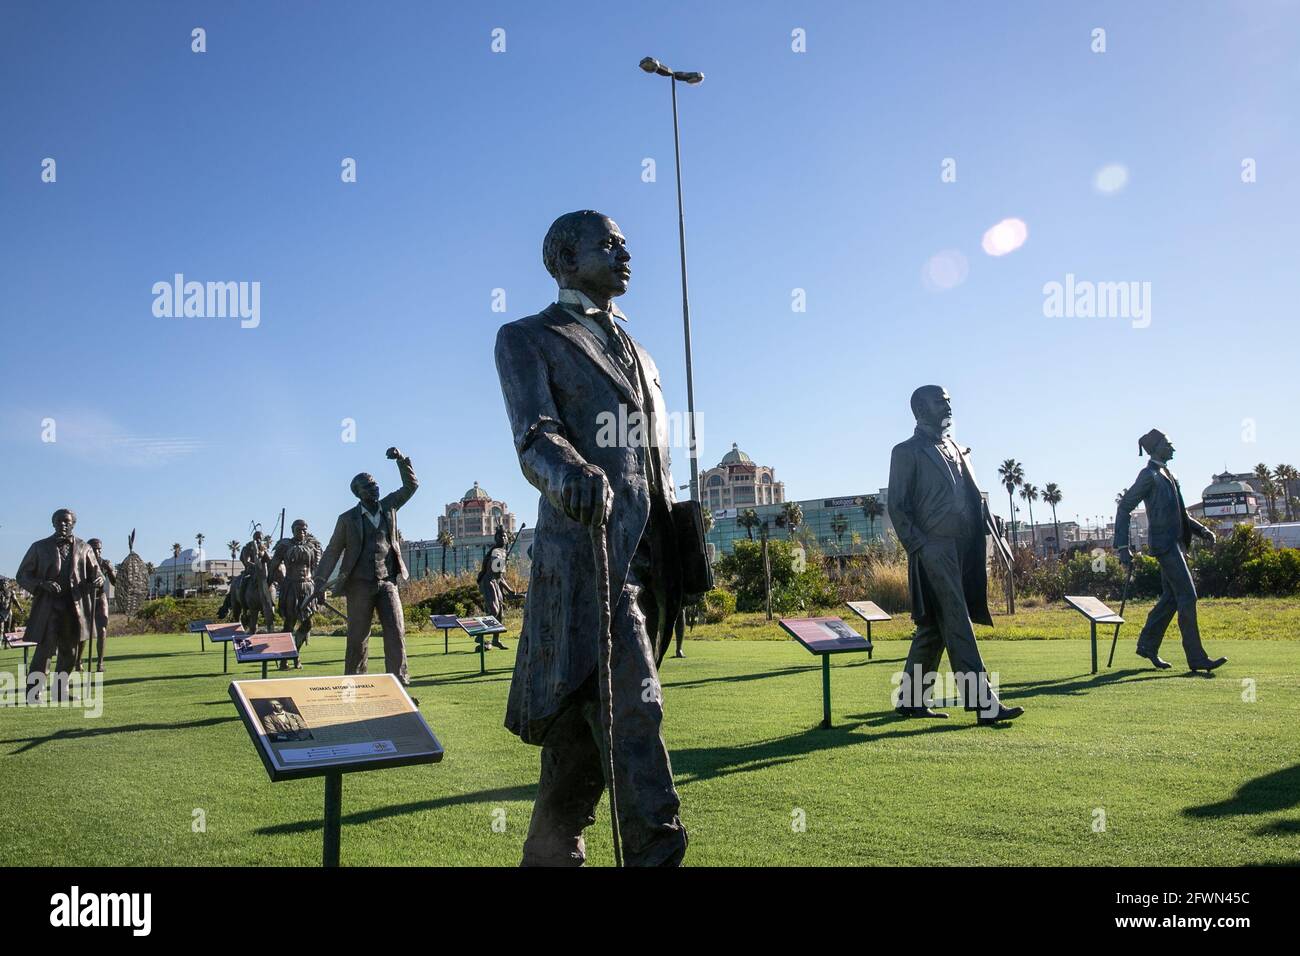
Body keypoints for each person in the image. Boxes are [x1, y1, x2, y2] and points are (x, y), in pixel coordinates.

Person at [495, 210, 689, 866]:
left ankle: (547, 857)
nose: (626, 252)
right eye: (610, 244)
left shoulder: (645, 355)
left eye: (626, 242)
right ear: (567, 260)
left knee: (580, 744)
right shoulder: (527, 337)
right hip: (587, 560)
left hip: (652, 562)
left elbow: (654, 466)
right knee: (637, 719)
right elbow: (535, 435)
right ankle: (658, 854)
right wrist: (568, 471)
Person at [887, 386, 1024, 724]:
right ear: (920, 408)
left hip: (965, 548)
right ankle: (984, 703)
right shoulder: (907, 451)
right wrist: (919, 545)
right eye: (940, 400)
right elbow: (898, 506)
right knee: (957, 620)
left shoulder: (959, 449)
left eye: (948, 399)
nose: (948, 404)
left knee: (935, 626)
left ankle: (910, 699)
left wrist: (995, 534)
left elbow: (974, 498)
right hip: (934, 547)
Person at [1115, 429, 1226, 673]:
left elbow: (1182, 513)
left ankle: (1147, 645)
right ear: (1156, 448)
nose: (1173, 448)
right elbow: (1124, 508)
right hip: (1164, 546)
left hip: (1177, 544)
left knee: (1172, 598)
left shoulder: (1169, 475)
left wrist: (1203, 531)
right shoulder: (1148, 476)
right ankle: (1196, 658)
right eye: (1168, 444)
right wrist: (1123, 547)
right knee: (1188, 596)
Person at [314, 448, 418, 684]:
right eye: (368, 486)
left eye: (375, 484)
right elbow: (332, 551)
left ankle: (400, 683)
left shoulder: (389, 505)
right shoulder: (347, 519)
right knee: (358, 637)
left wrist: (402, 461)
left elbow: (411, 486)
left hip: (387, 582)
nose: (375, 488)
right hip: (358, 585)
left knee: (396, 632)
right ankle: (354, 685)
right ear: (358, 493)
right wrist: (319, 581)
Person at [16, 509, 103, 701]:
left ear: (73, 524)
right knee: (45, 650)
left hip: (74, 608)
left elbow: (97, 574)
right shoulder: (39, 547)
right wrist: (41, 584)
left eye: (67, 521)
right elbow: (22, 575)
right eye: (59, 521)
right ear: (53, 523)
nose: (63, 525)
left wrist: (98, 579)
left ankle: (59, 691)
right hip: (48, 607)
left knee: (70, 652)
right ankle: (33, 691)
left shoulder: (84, 548)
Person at [270, 520, 321, 670]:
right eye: (299, 529)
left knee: (307, 624)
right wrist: (269, 580)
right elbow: (274, 564)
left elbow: (318, 567)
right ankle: (285, 659)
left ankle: (295, 653)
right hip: (291, 586)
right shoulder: (284, 545)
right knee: (289, 623)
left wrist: (320, 587)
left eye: (304, 529)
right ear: (292, 530)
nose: (302, 532)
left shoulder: (313, 545)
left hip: (308, 587)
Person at [475, 526, 515, 651]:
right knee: (494, 610)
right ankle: (478, 633)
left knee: (500, 613)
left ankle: (496, 640)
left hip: (495, 582)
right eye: (500, 536)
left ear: (507, 539)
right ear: (496, 538)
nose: (502, 538)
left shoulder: (501, 553)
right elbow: (495, 572)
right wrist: (501, 562)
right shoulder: (496, 552)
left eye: (504, 536)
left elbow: (500, 577)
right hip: (488, 582)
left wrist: (509, 591)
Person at [85, 538, 116, 672]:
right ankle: (78, 662)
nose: (97, 551)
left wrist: (110, 571)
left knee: (102, 630)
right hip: (86, 598)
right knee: (83, 631)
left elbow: (115, 582)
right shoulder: (82, 563)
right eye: (94, 548)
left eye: (99, 549)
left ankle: (100, 663)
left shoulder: (104, 563)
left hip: (100, 596)